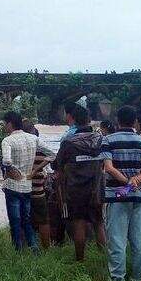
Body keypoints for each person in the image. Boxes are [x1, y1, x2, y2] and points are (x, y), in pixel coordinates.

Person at [100, 106, 141, 281]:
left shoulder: (108, 140)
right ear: (135, 122)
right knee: (138, 240)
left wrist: (127, 181)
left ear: (117, 120)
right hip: (137, 195)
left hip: (116, 195)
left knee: (117, 241)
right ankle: (138, 279)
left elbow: (108, 168)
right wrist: (137, 179)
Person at [54, 107, 105, 262]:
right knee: (99, 223)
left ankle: (80, 261)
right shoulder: (100, 139)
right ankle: (104, 258)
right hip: (97, 187)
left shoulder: (69, 143)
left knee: (79, 224)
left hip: (76, 189)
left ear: (73, 120)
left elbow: (57, 165)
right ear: (89, 120)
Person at [0, 111, 39, 250]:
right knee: (27, 220)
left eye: (5, 124)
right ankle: (33, 248)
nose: (5, 126)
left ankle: (18, 250)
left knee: (15, 221)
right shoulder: (33, 138)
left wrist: (12, 171)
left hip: (13, 186)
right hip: (27, 185)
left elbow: (6, 160)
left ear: (10, 123)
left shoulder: (7, 140)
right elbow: (51, 155)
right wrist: (35, 171)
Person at [25, 124, 57, 248]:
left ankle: (27, 247)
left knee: (24, 220)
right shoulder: (42, 150)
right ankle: (46, 248)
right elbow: (52, 159)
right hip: (38, 190)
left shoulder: (19, 148)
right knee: (43, 221)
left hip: (22, 190)